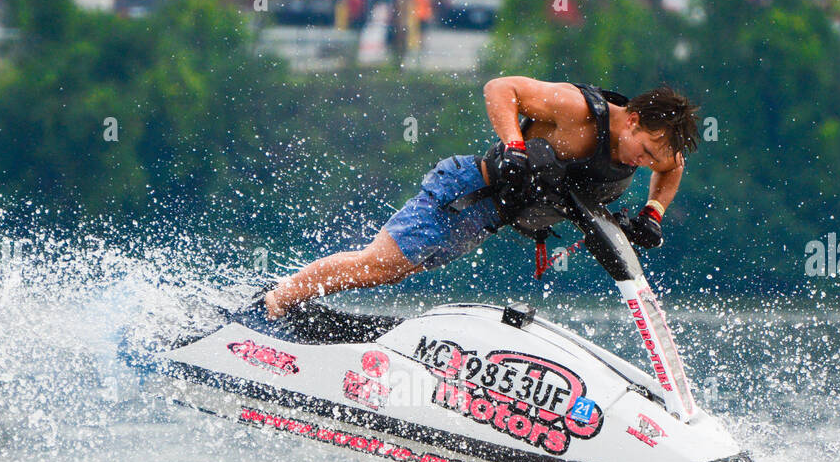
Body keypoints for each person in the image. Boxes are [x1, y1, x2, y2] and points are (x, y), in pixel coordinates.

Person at [263, 76, 700, 318]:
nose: (645, 163)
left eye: (652, 159)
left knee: (390, 273)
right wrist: (513, 144)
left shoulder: (658, 147)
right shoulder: (576, 109)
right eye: (644, 152)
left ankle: (289, 298)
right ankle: (275, 302)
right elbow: (500, 88)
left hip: (487, 218)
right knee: (379, 263)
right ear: (634, 120)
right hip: (467, 190)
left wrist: (653, 211)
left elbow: (671, 167)